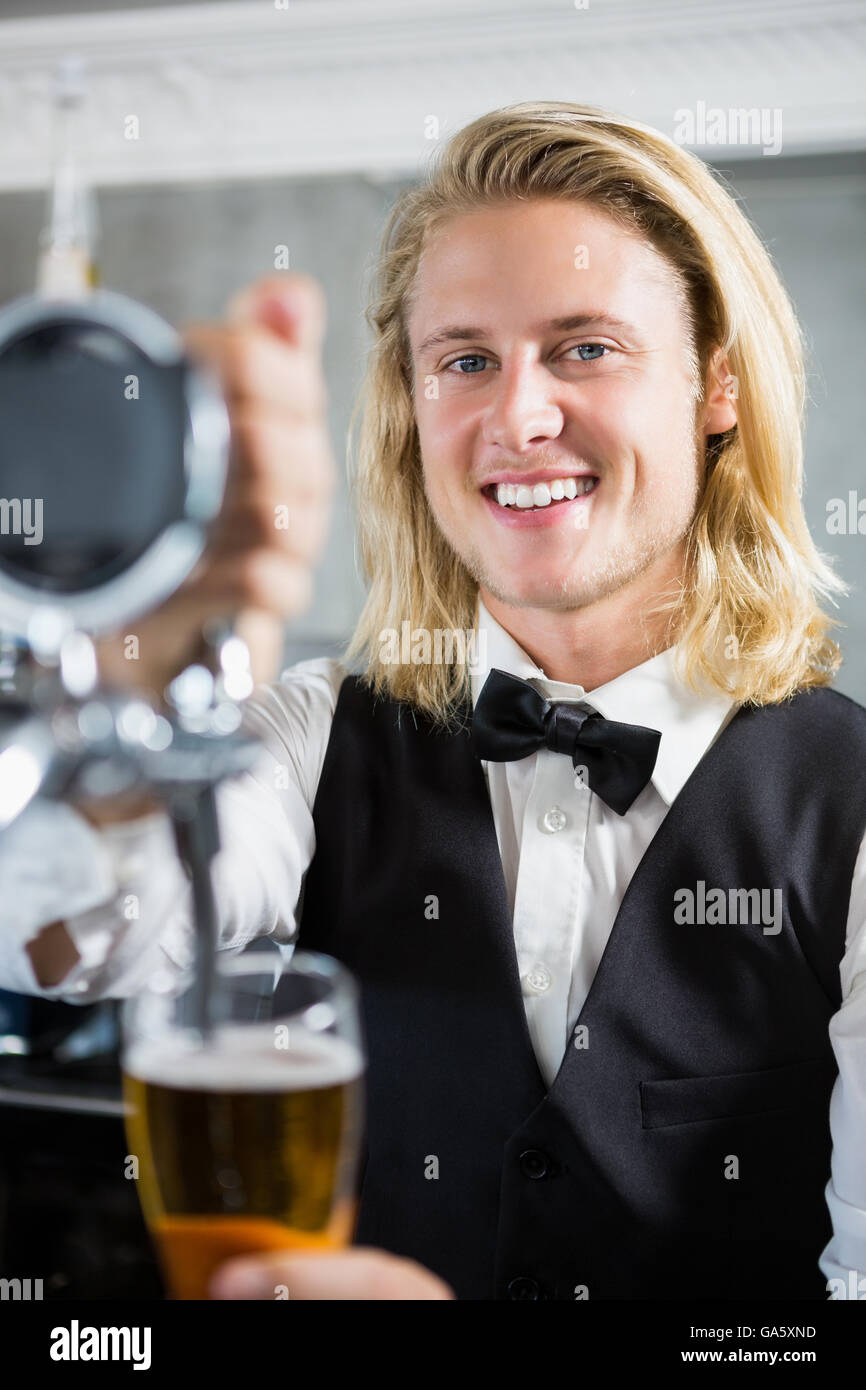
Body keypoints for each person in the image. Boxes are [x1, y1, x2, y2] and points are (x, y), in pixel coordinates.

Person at [2, 101, 864, 1301]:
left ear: (716, 384)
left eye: (584, 347)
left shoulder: (851, 805)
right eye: (464, 359)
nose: (516, 417)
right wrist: (117, 681)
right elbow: (60, 938)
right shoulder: (307, 736)